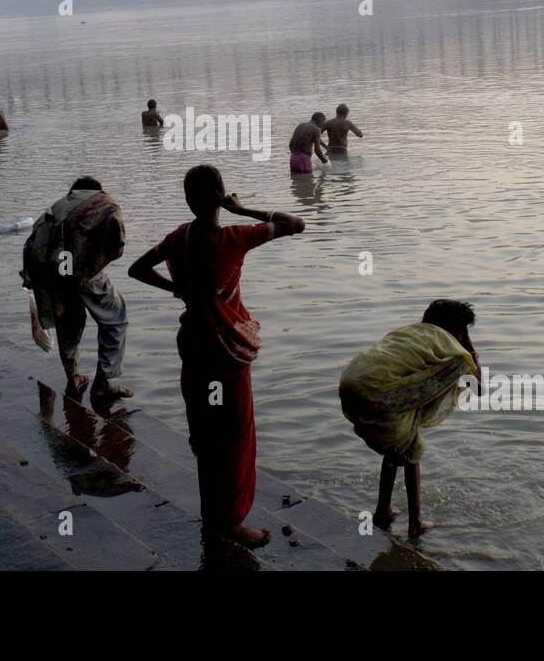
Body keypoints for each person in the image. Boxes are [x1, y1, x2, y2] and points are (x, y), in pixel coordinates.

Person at [128, 164, 305, 548]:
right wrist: (243, 210)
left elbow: (137, 269)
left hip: (195, 344)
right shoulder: (235, 237)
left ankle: (214, 516)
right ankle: (232, 523)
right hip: (223, 352)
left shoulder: (178, 239)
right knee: (234, 434)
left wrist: (177, 289)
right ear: (222, 195)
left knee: (206, 434)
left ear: (188, 200)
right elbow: (296, 223)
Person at [339, 299, 481, 537]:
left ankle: (383, 510)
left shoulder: (412, 333)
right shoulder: (452, 350)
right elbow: (478, 387)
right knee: (413, 446)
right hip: (376, 390)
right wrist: (470, 349)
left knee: (400, 444)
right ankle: (415, 523)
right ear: (459, 331)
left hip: (351, 382)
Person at [23, 177, 132, 401]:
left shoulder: (58, 206)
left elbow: (31, 245)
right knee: (115, 318)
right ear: (96, 190)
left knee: (68, 323)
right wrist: (93, 266)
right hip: (82, 269)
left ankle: (73, 377)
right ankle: (102, 384)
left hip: (53, 272)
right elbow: (117, 244)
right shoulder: (105, 201)